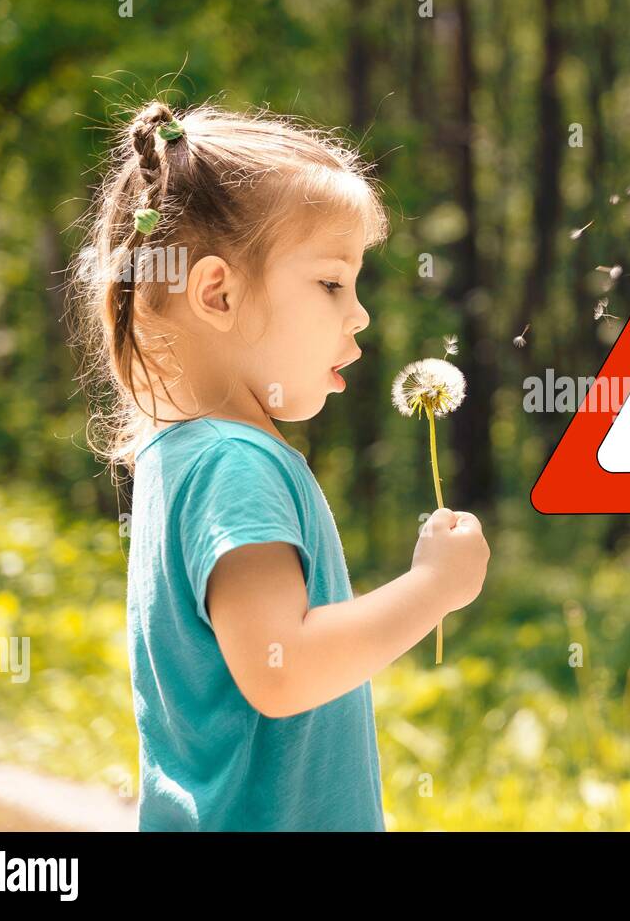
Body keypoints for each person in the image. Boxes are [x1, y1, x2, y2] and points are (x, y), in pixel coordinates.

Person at [68, 99, 489, 830]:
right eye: (331, 283)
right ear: (218, 294)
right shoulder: (236, 464)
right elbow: (280, 669)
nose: (358, 314)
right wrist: (433, 588)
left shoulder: (180, 455)